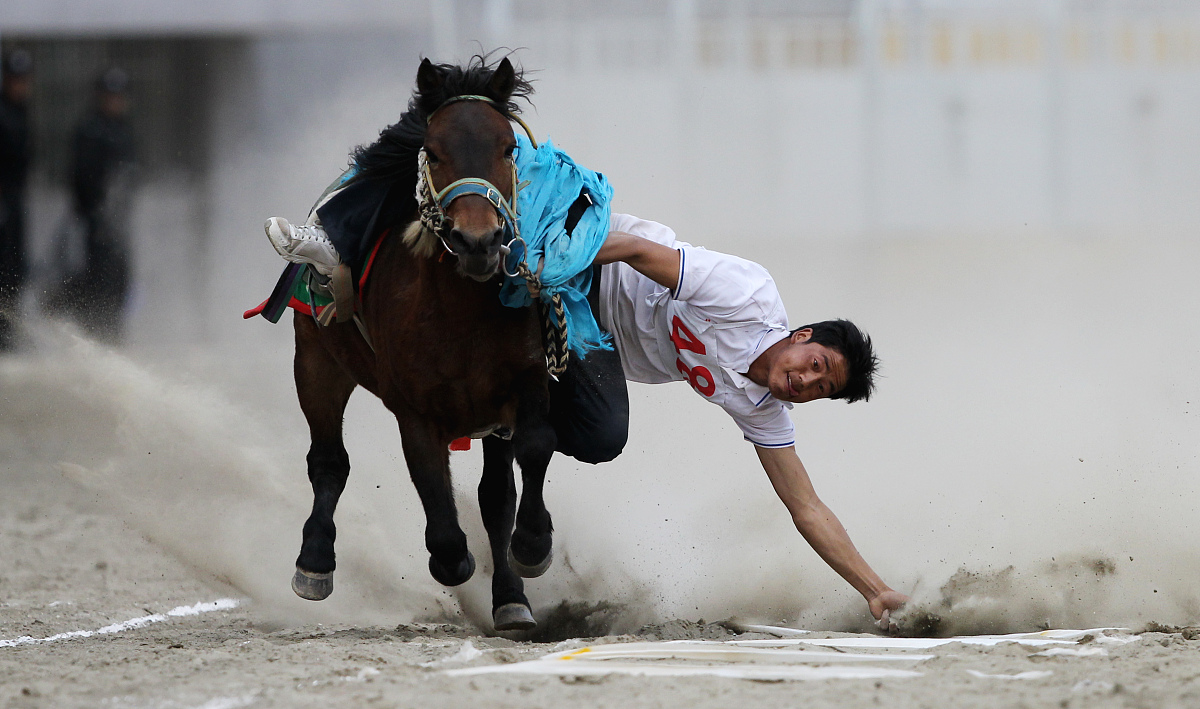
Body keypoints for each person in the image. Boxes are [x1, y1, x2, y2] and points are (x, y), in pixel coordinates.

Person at [266, 204, 910, 627]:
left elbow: (807, 507)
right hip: (586, 273)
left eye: (818, 392)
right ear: (799, 335)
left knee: (601, 438)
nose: (805, 384)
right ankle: (338, 255)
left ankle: (504, 431)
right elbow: (632, 249)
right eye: (817, 365)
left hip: (590, 345)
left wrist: (874, 589)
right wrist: (549, 268)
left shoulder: (764, 404)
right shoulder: (746, 294)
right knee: (590, 414)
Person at [45, 67, 137, 342]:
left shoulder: (123, 131)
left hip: (117, 227)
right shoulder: (89, 130)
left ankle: (114, 336)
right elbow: (81, 182)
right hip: (93, 227)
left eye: (119, 96)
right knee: (93, 286)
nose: (115, 102)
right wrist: (95, 215)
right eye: (110, 96)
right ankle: (93, 336)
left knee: (119, 285)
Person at [0, 49, 33, 351]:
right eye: (15, 80)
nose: (20, 86)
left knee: (14, 273)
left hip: (15, 204)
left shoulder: (21, 113)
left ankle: (8, 339)